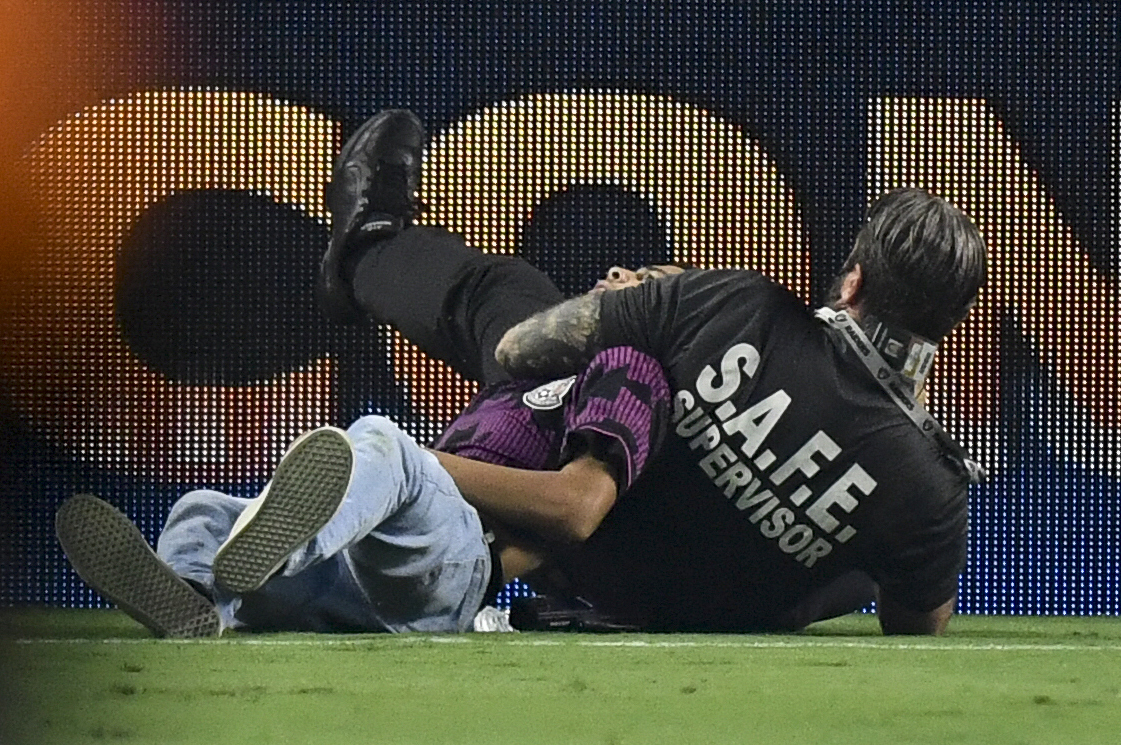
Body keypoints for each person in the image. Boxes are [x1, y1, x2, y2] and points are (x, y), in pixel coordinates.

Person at [319, 110, 986, 635]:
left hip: (582, 532)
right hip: (696, 606)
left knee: (505, 296)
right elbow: (915, 620)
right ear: (949, 323)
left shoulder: (739, 306)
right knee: (877, 556)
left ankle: (366, 245)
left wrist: (639, 298)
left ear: (852, 279)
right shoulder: (930, 490)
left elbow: (522, 350)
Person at [55, 111, 672, 638]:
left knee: (383, 443)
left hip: (457, 566)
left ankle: (270, 558)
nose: (620, 272)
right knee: (201, 510)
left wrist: (423, 465)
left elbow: (576, 509)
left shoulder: (629, 370)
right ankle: (198, 599)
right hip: (370, 576)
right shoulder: (540, 362)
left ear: (665, 318)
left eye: (645, 281)